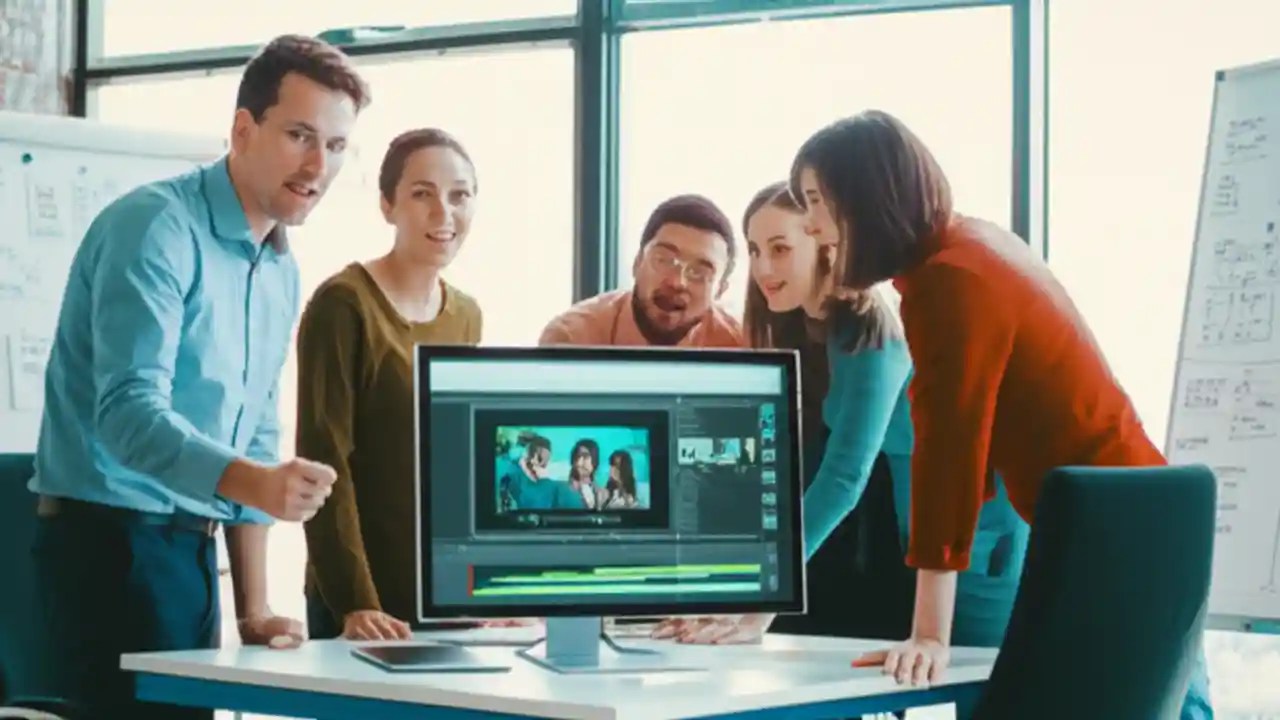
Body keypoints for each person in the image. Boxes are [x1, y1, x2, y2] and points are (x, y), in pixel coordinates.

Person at [790, 110, 1214, 718]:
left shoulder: (948, 281)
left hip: (1115, 539)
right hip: (1145, 525)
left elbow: (950, 450)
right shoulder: (973, 244)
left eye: (814, 200)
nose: (812, 224)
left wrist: (931, 634)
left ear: (863, 194)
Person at [27, 34, 368, 719]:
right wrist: (259, 484)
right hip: (108, 549)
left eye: (335, 146)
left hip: (186, 555)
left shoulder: (277, 262)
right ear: (243, 129)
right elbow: (127, 415)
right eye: (300, 135)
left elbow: (256, 424)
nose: (317, 165)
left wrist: (255, 607)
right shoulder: (156, 227)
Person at [656, 184, 1028, 715]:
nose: (763, 268)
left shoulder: (870, 335)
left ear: (824, 247)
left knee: (990, 696)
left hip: (978, 534)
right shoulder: (822, 332)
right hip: (923, 526)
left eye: (780, 248)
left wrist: (765, 596)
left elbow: (844, 479)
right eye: (755, 250)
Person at [298, 128, 484, 642]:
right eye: (422, 194)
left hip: (446, 595)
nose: (443, 214)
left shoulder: (466, 315)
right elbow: (324, 459)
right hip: (363, 602)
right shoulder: (343, 304)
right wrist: (356, 603)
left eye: (459, 195)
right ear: (387, 205)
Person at [539, 194, 743, 347]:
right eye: (664, 260)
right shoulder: (572, 339)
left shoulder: (742, 346)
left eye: (699, 273)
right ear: (637, 263)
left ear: (720, 290)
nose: (677, 282)